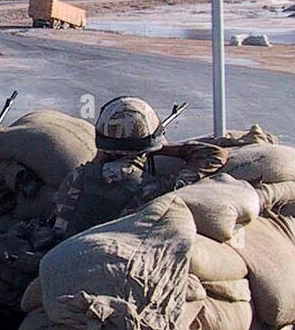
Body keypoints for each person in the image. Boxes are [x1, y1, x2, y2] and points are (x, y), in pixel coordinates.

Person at [51, 96, 228, 240]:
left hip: (60, 256)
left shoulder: (78, 177)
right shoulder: (153, 190)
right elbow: (215, 155)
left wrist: (104, 155)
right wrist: (161, 147)